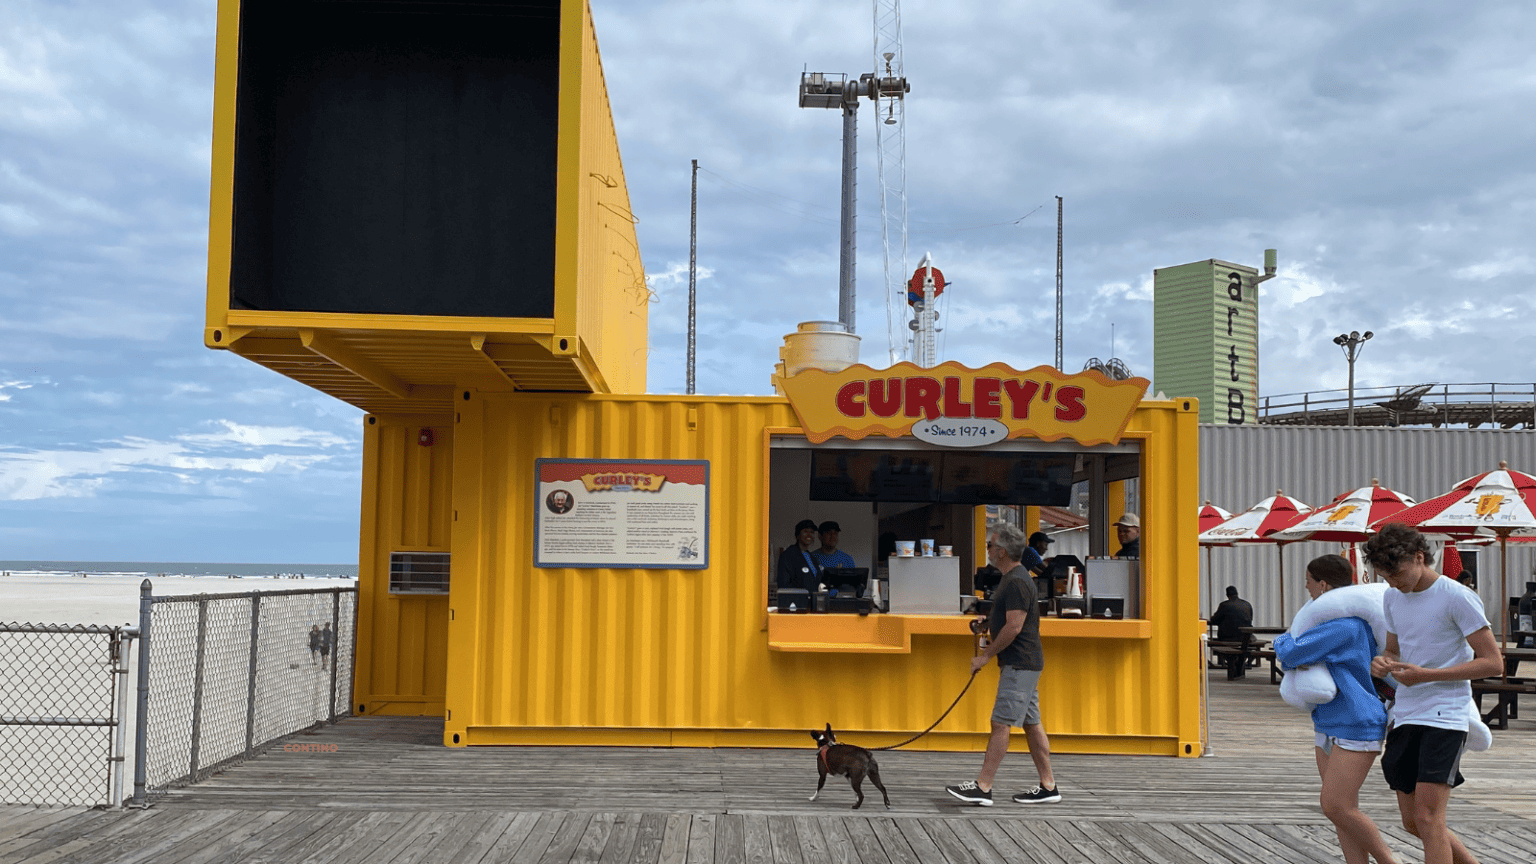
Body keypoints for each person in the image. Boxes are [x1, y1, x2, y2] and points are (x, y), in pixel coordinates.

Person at [1365, 523, 1503, 864]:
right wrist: (1383, 662)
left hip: (1446, 713)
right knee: (1413, 821)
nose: (1392, 582)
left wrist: (1427, 676)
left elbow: (1493, 663)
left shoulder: (1457, 596)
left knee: (1428, 818)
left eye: (1397, 574)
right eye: (1385, 576)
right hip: (1405, 712)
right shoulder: (1392, 596)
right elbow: (1394, 650)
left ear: (1419, 557)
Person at [1273, 555, 1399, 864]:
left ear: (1323, 585)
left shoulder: (1344, 626)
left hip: (1355, 721)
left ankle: (1389, 860)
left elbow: (1290, 653)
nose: (1306, 586)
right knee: (1342, 811)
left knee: (1335, 806)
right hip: (1331, 719)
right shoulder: (1337, 625)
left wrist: (1283, 640)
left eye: (1308, 580)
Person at [946, 521, 1059, 807]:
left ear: (1003, 551)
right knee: (1032, 724)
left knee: (1000, 723)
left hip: (1020, 663)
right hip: (1024, 663)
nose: (987, 549)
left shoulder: (1017, 581)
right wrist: (987, 623)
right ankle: (1048, 785)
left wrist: (985, 656)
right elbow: (1008, 620)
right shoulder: (1013, 578)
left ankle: (983, 787)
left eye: (990, 545)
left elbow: (1014, 627)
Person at [1209, 586, 1255, 679]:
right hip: (1245, 638)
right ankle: (1241, 665)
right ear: (1237, 593)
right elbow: (1250, 620)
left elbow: (1214, 620)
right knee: (1252, 639)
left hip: (1227, 637)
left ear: (1227, 595)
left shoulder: (1224, 605)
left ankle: (1226, 663)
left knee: (1215, 641)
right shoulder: (1247, 604)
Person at [776, 519, 822, 594]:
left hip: (813, 599)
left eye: (812, 532)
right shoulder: (788, 555)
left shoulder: (812, 558)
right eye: (805, 531)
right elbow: (784, 584)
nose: (809, 535)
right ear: (797, 535)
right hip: (797, 600)